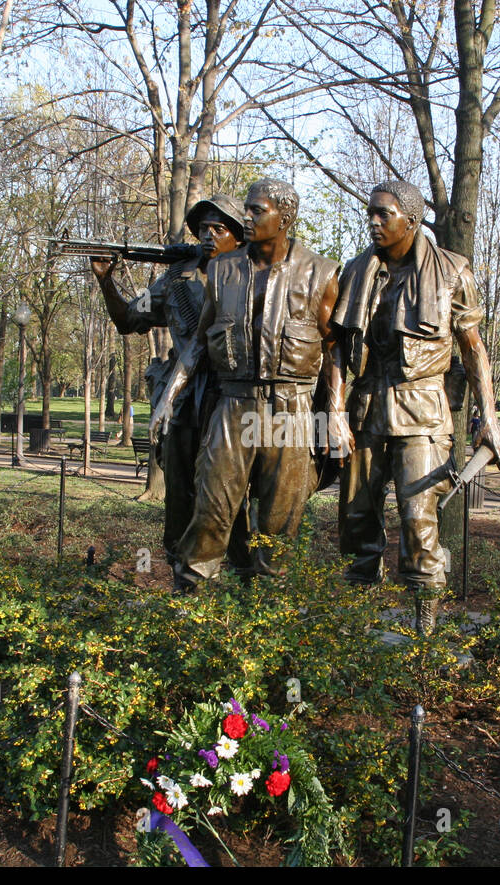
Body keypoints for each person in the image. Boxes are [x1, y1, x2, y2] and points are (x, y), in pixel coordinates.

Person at [150, 178, 350, 589]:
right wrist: (168, 397)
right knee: (211, 512)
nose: (247, 215)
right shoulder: (224, 270)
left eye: (257, 210)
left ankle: (265, 622)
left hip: (290, 410)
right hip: (234, 406)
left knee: (279, 527)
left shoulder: (321, 273)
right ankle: (189, 609)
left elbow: (335, 352)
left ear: (285, 217)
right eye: (248, 207)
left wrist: (337, 416)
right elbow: (198, 346)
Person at [332, 180, 500, 635]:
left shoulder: (451, 271)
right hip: (367, 409)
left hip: (423, 412)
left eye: (383, 214)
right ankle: (357, 626)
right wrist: (334, 410)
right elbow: (336, 350)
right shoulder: (354, 272)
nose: (373, 221)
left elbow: (473, 349)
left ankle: (424, 632)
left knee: (418, 521)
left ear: (410, 220)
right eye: (370, 212)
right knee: (356, 519)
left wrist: (488, 414)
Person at [91, 194, 249, 570]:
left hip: (235, 394)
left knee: (236, 490)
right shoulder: (175, 278)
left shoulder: (254, 275)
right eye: (203, 229)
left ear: (239, 236)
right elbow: (129, 319)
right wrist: (106, 282)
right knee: (179, 487)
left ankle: (243, 574)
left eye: (219, 228)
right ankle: (182, 573)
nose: (208, 235)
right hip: (185, 396)